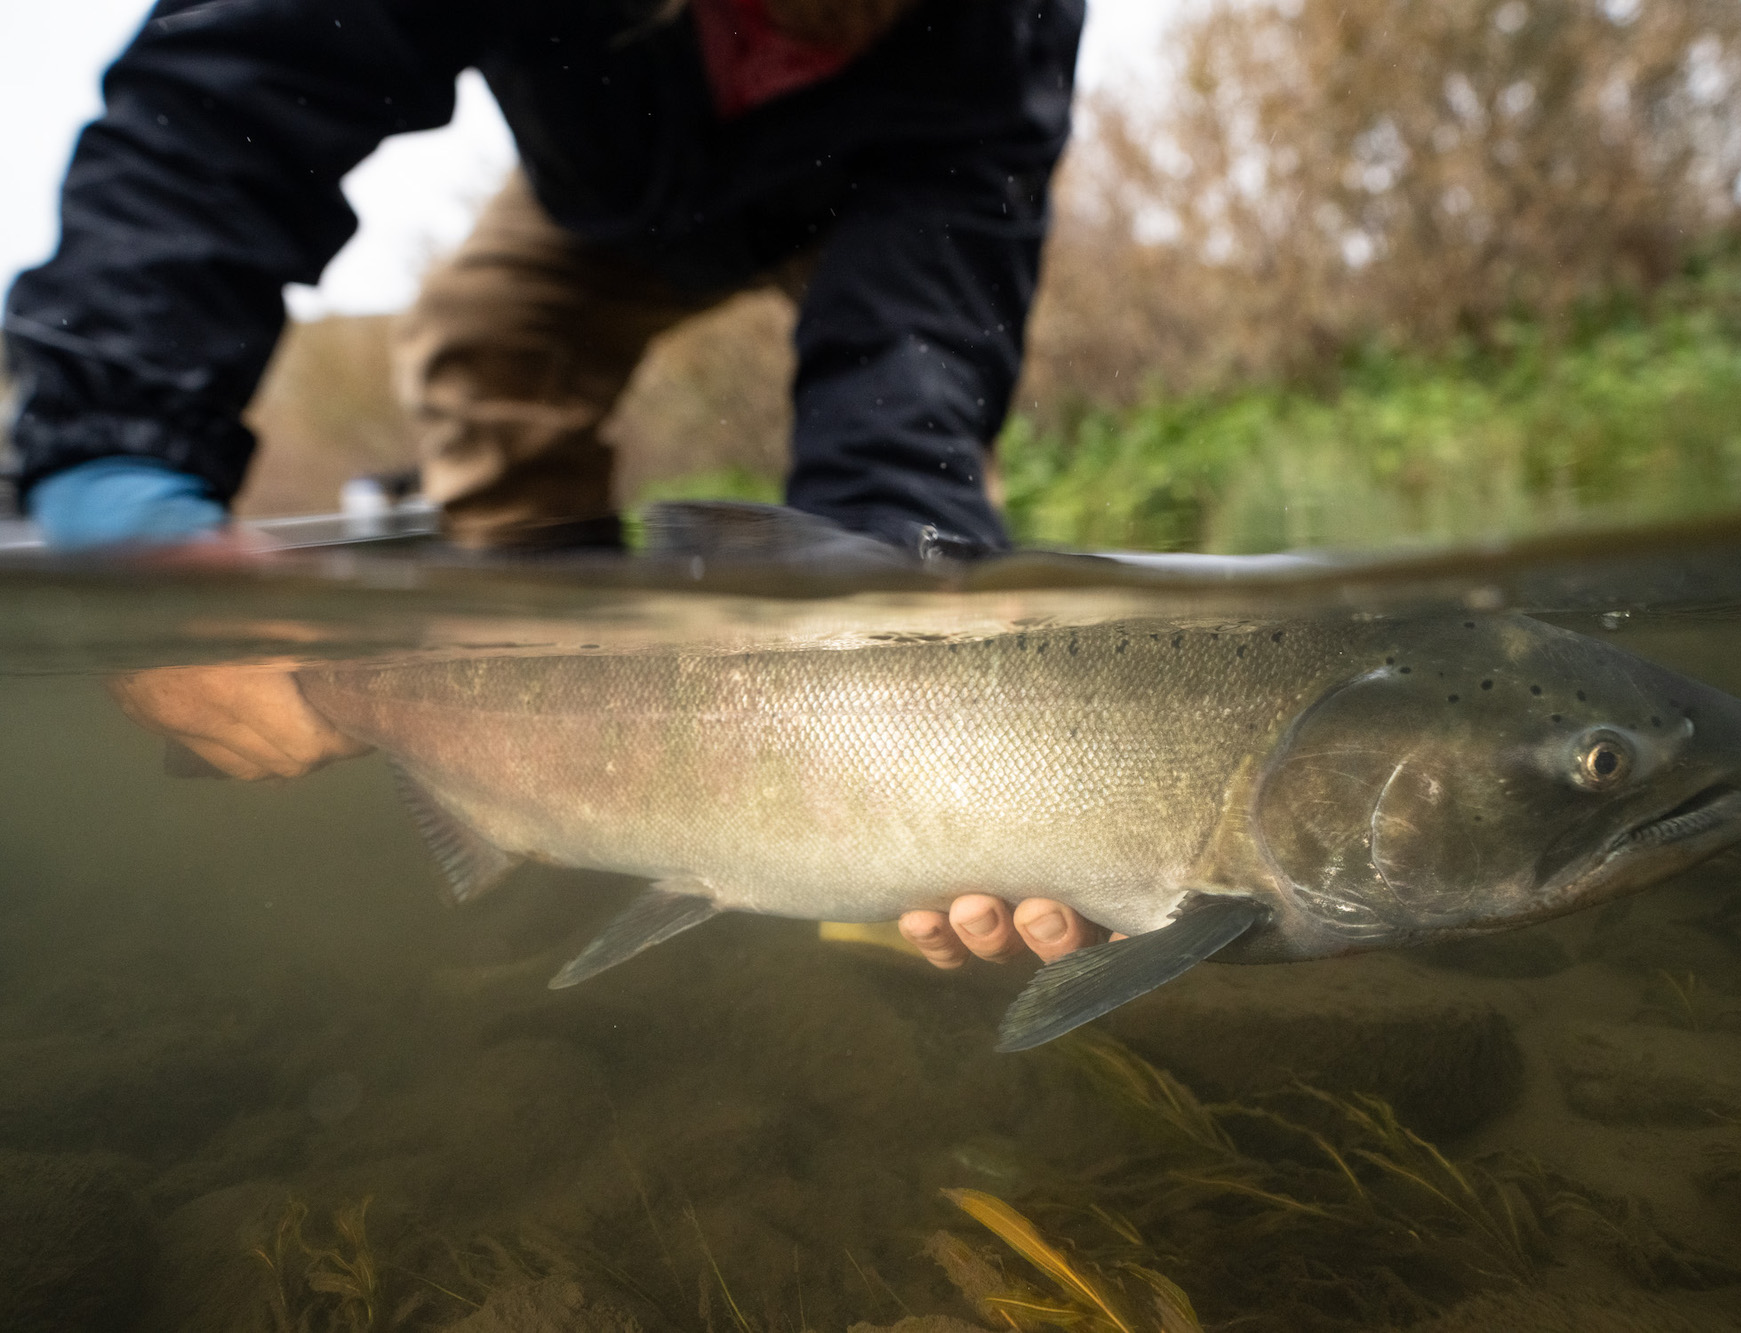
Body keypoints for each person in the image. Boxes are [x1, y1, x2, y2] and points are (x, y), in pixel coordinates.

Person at [6, 0, 1103, 968]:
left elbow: (916, 383)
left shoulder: (1004, 27)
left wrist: (931, 649)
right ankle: (552, 792)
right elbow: (236, 88)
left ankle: (845, 851)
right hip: (609, 195)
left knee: (921, 544)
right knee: (477, 351)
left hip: (863, 192)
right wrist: (120, 475)